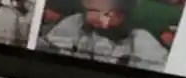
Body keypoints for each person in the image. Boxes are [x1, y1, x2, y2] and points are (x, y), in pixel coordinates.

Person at [40, 0, 170, 71]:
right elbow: (48, 45)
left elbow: (159, 68)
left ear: (120, 15)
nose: (90, 15)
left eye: (95, 11)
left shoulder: (139, 39)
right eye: (89, 10)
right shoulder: (76, 23)